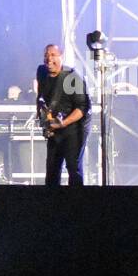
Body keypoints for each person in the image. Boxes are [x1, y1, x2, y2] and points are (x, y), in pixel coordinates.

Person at [35, 44, 90, 186]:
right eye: (46, 55)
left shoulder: (72, 77)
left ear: (61, 57)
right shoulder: (41, 72)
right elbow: (41, 99)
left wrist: (63, 123)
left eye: (53, 55)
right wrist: (44, 122)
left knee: (73, 167)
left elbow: (82, 107)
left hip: (74, 127)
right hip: (55, 127)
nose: (49, 59)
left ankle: (76, 203)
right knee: (52, 168)